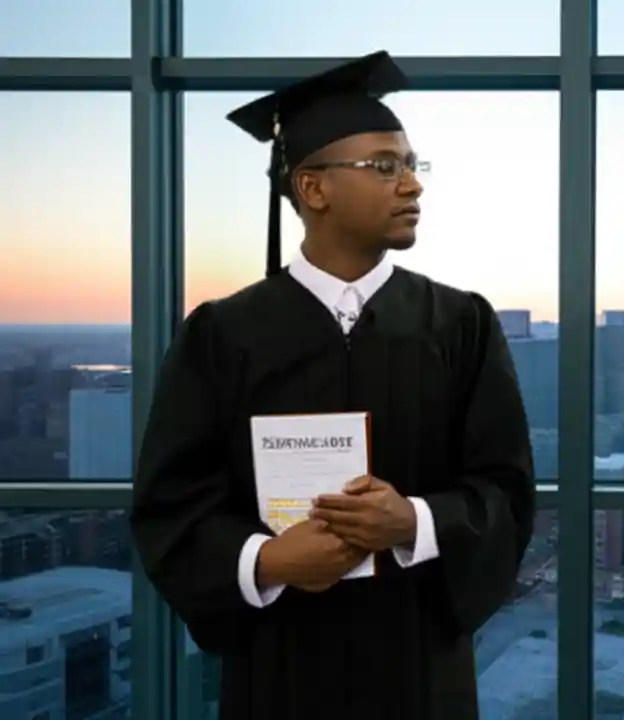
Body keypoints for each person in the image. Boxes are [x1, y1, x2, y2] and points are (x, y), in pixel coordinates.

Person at [130, 50, 536, 719]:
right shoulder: (222, 333)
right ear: (313, 189)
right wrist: (268, 562)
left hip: (420, 672)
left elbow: (506, 489)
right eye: (385, 166)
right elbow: (171, 506)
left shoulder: (461, 323)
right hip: (279, 671)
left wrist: (414, 521)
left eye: (412, 165)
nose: (412, 186)